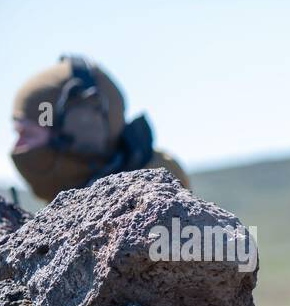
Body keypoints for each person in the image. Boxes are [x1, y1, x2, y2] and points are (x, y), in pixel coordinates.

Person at [10, 55, 189, 202]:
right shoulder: (77, 197)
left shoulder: (154, 192)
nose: (17, 146)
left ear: (82, 129)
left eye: (28, 134)